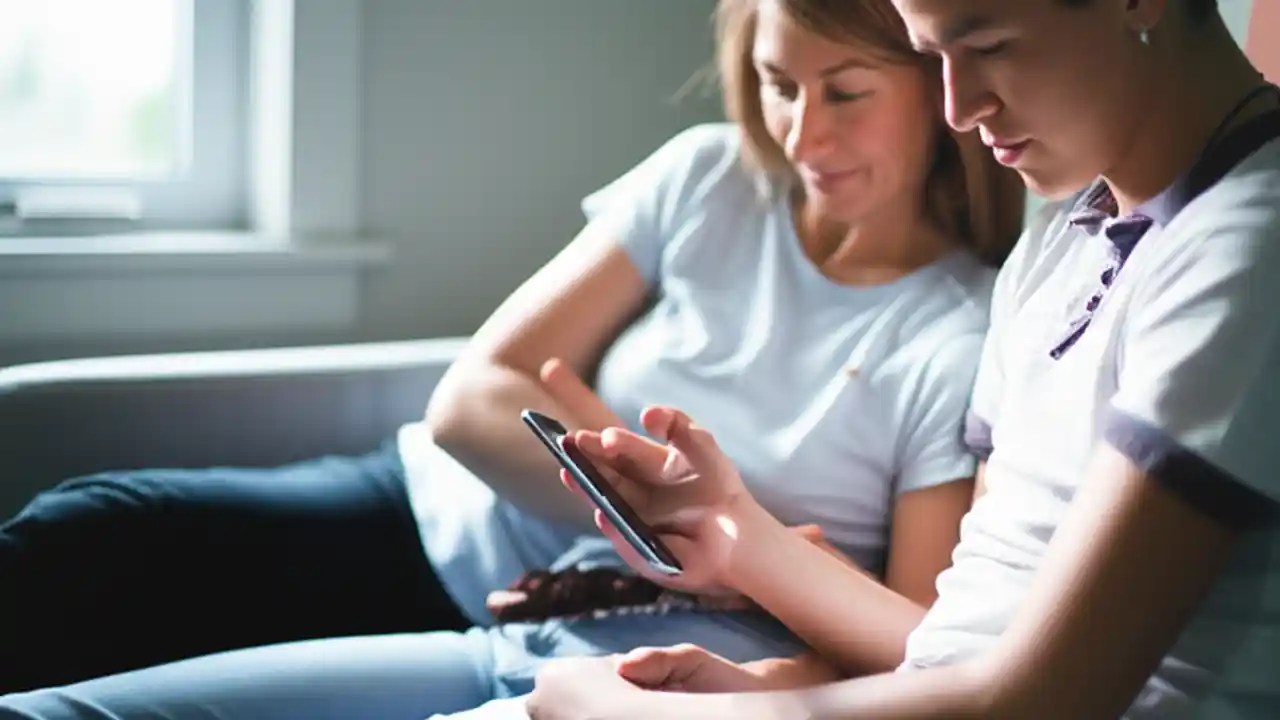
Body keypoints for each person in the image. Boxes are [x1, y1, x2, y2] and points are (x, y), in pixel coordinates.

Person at [0, 0, 1025, 716]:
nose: (801, 133)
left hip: (584, 625)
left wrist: (738, 550)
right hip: (440, 520)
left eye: (845, 92)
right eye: (773, 84)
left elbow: (913, 634)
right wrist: (653, 518)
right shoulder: (706, 181)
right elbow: (471, 401)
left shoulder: (953, 334)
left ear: (936, 79)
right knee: (89, 536)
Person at [507, 0, 1280, 718]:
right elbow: (964, 627)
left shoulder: (1245, 252)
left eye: (988, 46)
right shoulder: (1062, 238)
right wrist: (738, 535)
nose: (958, 109)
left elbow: (1047, 699)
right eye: (934, 55)